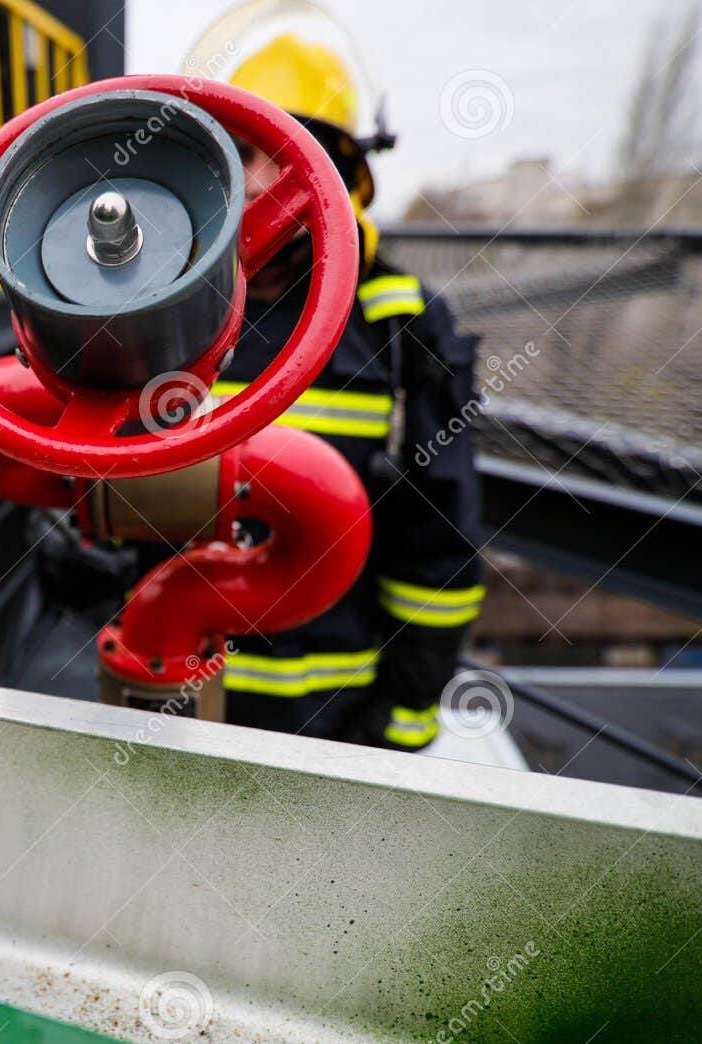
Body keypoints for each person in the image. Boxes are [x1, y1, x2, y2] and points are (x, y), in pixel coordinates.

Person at [183, 1, 486, 751]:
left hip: (331, 724)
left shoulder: (401, 322)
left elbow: (440, 538)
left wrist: (405, 716)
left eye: (285, 152)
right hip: (169, 697)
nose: (256, 183)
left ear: (343, 173)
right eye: (237, 151)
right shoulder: (172, 316)